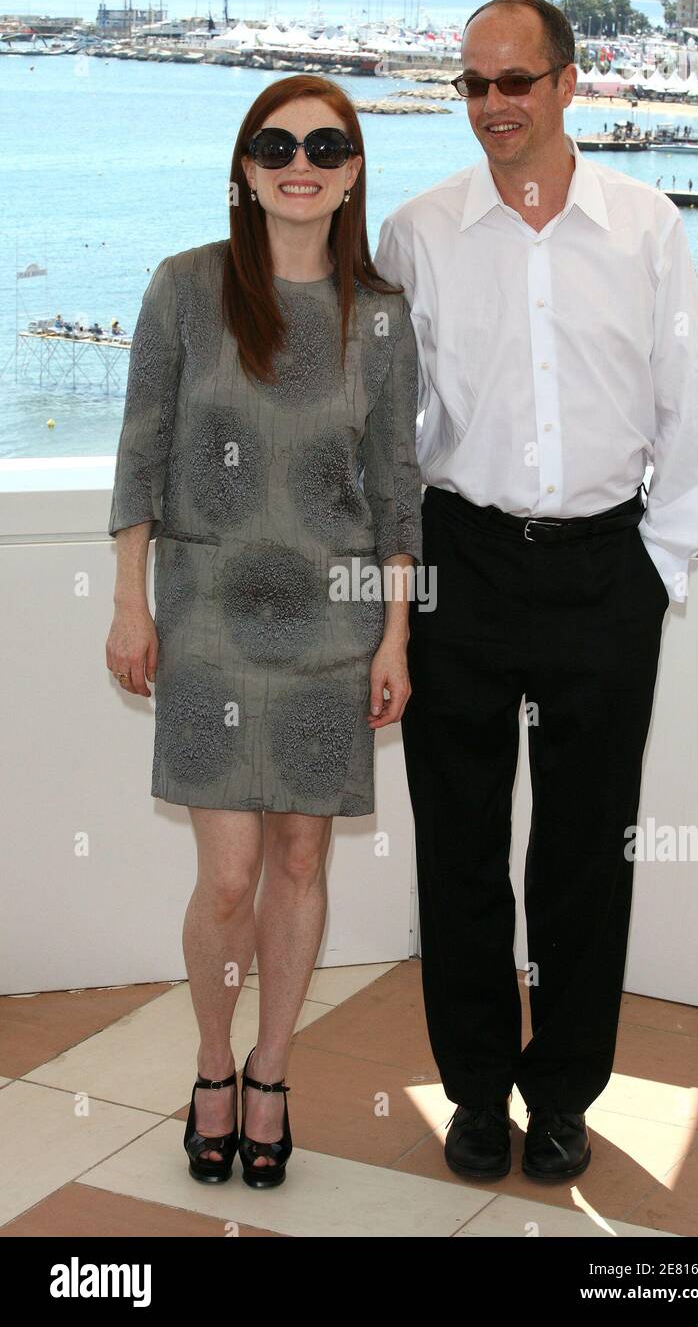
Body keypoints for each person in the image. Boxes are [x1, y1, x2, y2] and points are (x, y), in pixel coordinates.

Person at [375, 0, 698, 1183]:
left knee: (587, 854)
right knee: (460, 849)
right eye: (474, 84)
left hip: (601, 575)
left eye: (516, 81)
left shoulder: (646, 223)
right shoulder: (419, 231)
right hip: (458, 568)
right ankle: (477, 1092)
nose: (493, 105)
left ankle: (565, 1092)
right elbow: (386, 423)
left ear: (568, 83)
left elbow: (691, 415)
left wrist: (651, 573)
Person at [106, 75, 422, 1190]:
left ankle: (272, 1074)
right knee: (230, 877)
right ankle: (211, 1065)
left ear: (350, 172)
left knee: (301, 856)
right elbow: (141, 452)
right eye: (276, 144)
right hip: (208, 624)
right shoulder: (185, 290)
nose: (301, 160)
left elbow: (397, 490)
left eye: (326, 145)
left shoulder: (379, 315)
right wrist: (129, 598)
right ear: (243, 169)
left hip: (335, 632)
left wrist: (397, 637)